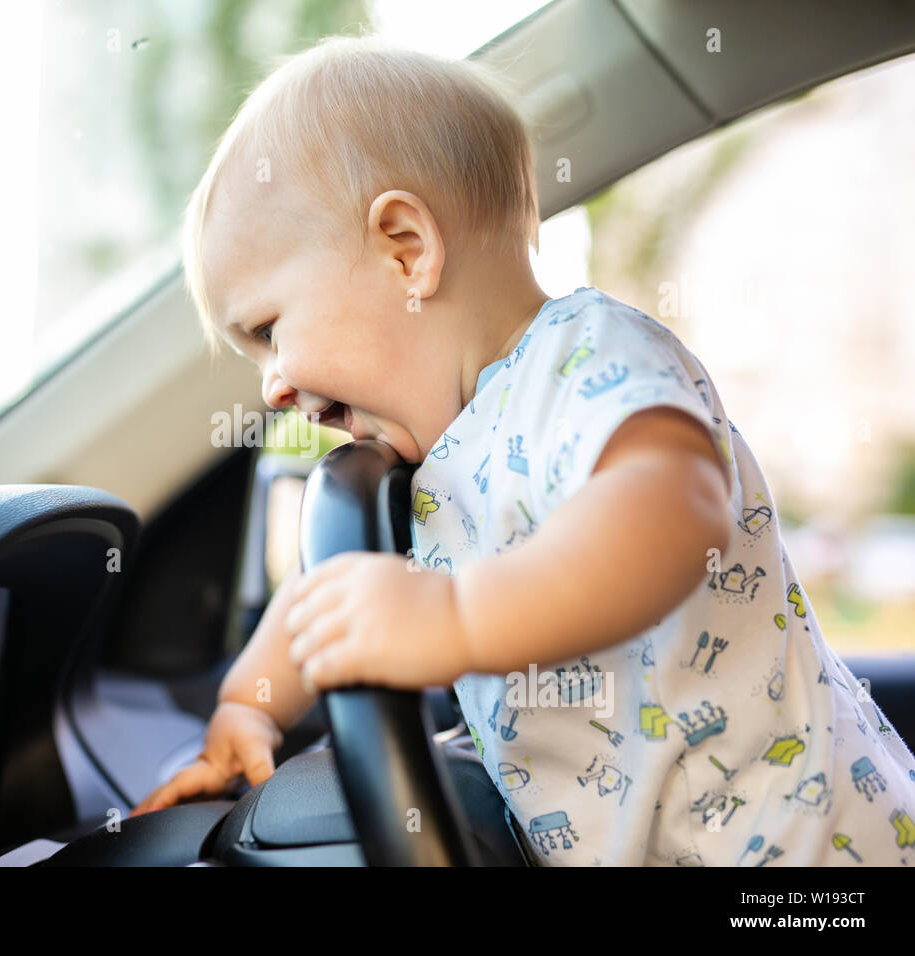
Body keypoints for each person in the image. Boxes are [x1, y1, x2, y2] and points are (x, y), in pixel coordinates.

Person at [131, 34, 915, 866]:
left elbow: (676, 511)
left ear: (406, 248)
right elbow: (337, 602)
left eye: (269, 331)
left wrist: (455, 619)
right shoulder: (444, 458)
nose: (273, 388)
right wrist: (246, 711)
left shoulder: (584, 359)